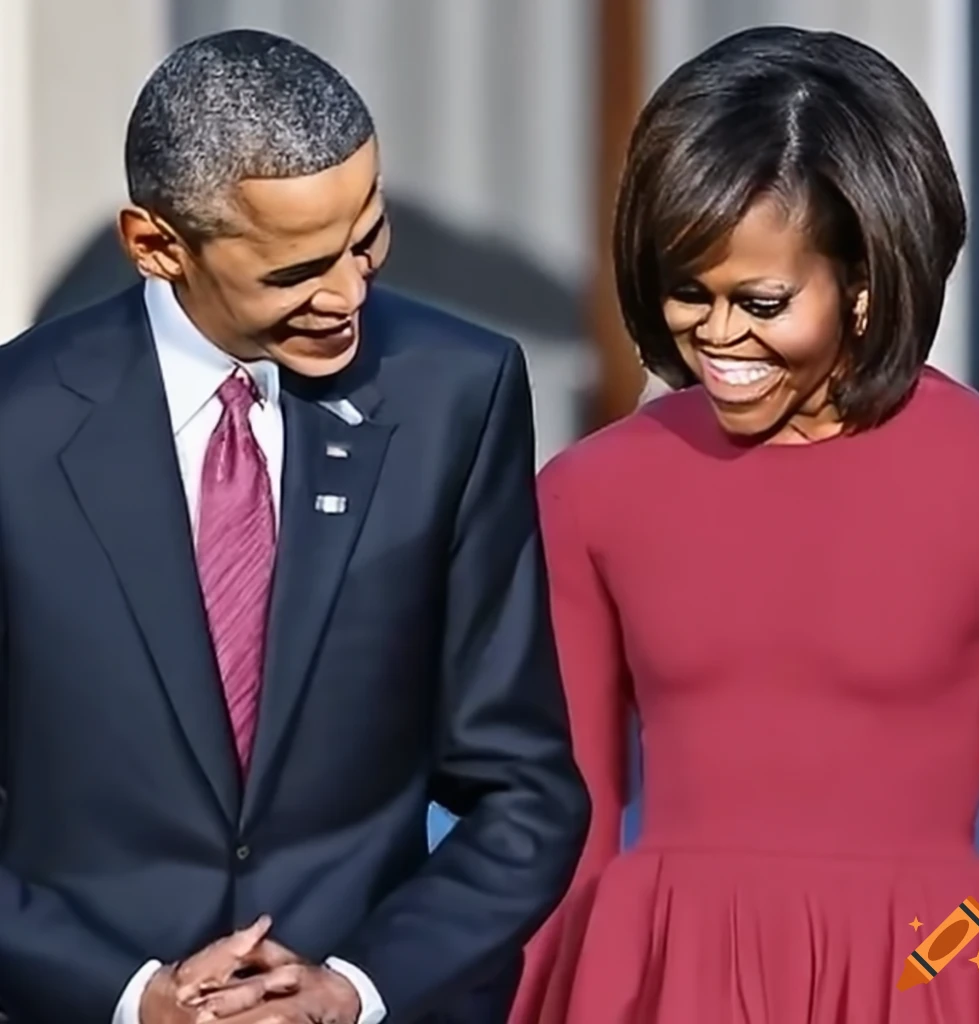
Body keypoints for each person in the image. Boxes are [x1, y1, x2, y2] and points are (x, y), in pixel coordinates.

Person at [0, 29, 589, 1024]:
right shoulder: (15, 428)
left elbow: (524, 793)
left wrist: (354, 990)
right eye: (296, 271)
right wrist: (133, 996)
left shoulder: (456, 393)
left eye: (369, 238)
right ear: (156, 245)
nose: (349, 293)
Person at [511, 25, 979, 1024]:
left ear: (865, 282)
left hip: (924, 982)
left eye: (761, 299)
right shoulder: (589, 491)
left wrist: (946, 945)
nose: (715, 333)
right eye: (688, 291)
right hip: (662, 981)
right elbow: (560, 826)